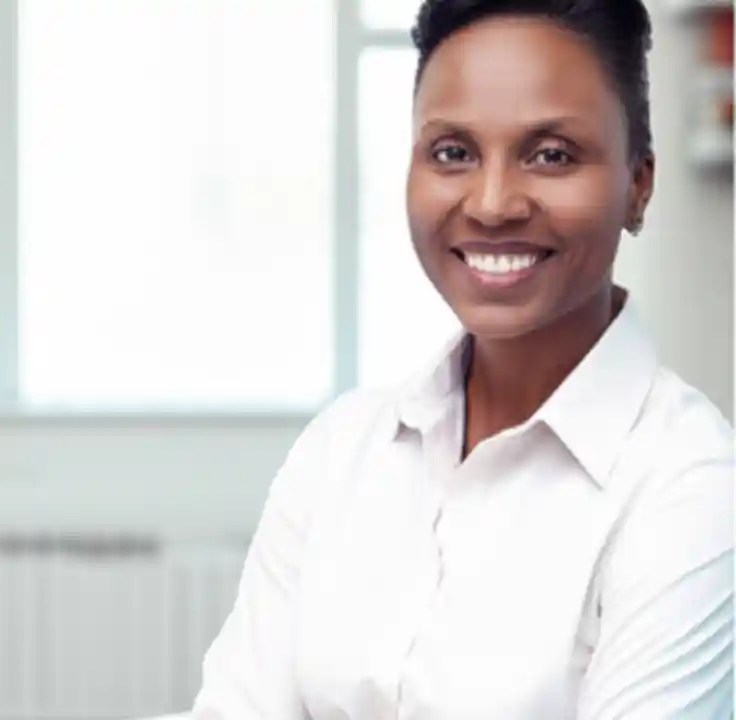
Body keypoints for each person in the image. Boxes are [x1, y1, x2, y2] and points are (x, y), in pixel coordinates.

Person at [190, 1, 734, 718]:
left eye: (551, 155)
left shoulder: (691, 487)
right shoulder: (341, 450)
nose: (493, 202)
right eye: (453, 153)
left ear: (639, 184)